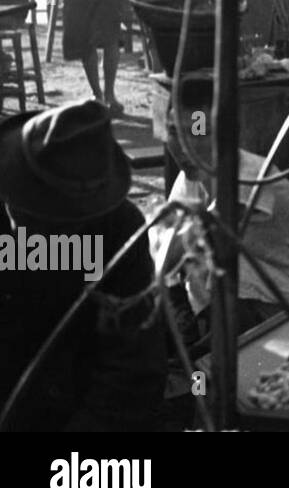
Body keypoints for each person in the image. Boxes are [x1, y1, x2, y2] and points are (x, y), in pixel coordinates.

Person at [0, 100, 166, 432]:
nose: (34, 234)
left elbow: (132, 366)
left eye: (55, 222)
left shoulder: (118, 231)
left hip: (81, 406)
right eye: (27, 210)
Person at [158, 110, 289, 335]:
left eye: (198, 132)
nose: (185, 147)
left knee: (208, 254)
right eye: (174, 132)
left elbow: (174, 252)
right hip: (257, 293)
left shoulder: (246, 177)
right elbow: (164, 247)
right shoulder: (190, 181)